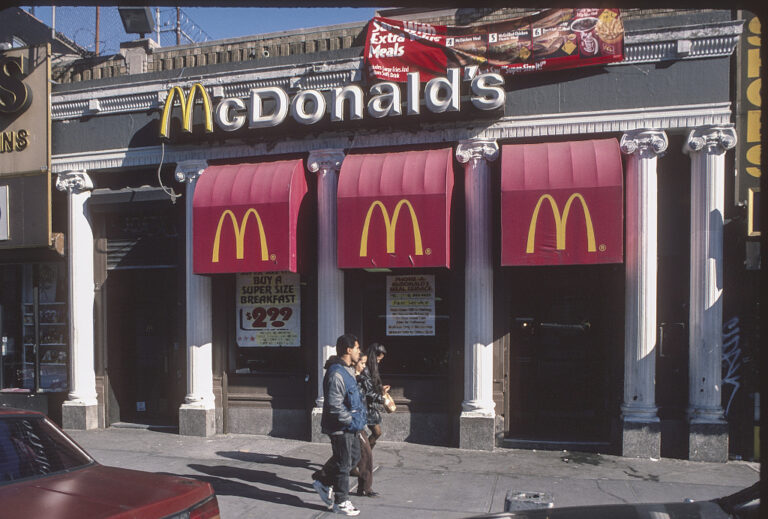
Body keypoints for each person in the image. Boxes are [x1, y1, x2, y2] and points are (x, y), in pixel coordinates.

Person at [312, 334, 366, 516]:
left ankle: (322, 480)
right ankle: (341, 501)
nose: (359, 352)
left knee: (353, 457)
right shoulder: (336, 373)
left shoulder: (347, 370)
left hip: (350, 425)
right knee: (344, 462)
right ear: (348, 350)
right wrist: (350, 421)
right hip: (340, 426)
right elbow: (335, 405)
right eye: (357, 348)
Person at [363, 343, 389, 449]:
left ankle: (364, 458)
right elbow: (368, 392)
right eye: (378, 359)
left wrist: (381, 389)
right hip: (366, 406)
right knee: (376, 432)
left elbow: (371, 387)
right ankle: (364, 457)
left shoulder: (371, 369)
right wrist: (381, 399)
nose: (379, 362)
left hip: (370, 406)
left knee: (376, 433)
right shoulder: (366, 370)